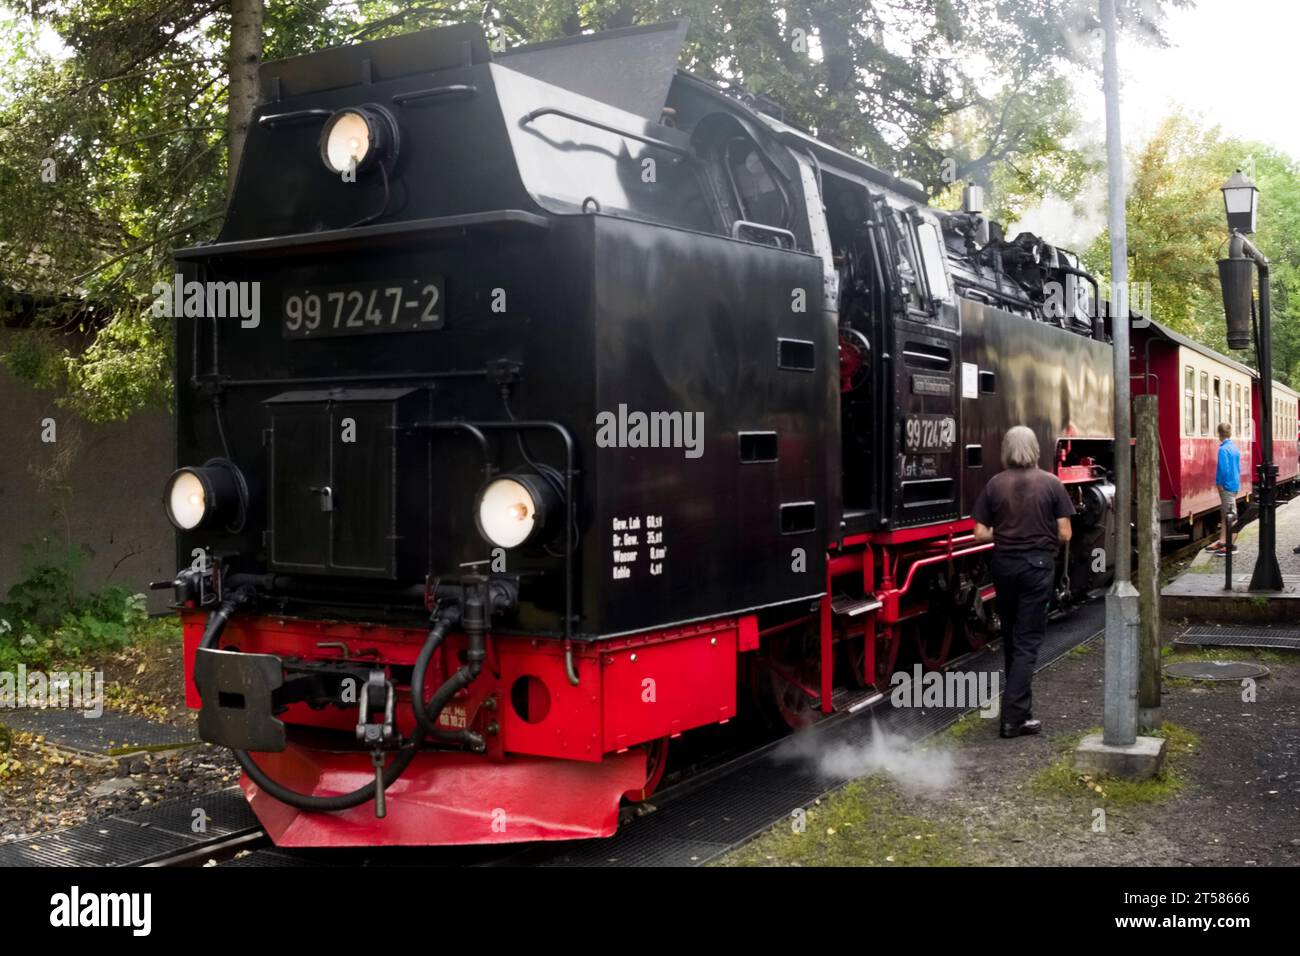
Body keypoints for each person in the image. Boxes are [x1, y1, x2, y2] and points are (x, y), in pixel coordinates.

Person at [972, 426, 1074, 739]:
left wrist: (1004, 535)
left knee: (1013, 637)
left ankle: (1021, 711)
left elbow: (979, 533)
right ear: (1034, 449)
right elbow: (1066, 533)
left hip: (1004, 566)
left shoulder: (994, 484)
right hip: (1037, 566)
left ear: (1006, 450)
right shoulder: (1052, 484)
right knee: (1028, 641)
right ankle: (1013, 720)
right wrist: (1041, 539)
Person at [1210, 422, 1240, 555]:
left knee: (1231, 515)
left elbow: (1223, 469)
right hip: (1234, 483)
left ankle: (1231, 545)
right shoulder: (1234, 447)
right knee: (1225, 514)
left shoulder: (1223, 449)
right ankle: (1223, 541)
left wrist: (1220, 483)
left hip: (1226, 485)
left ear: (1219, 434)